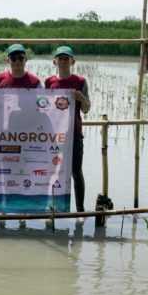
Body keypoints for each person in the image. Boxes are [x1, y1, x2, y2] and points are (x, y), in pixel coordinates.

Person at [45, 45, 91, 212]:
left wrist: (81, 98)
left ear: (73, 61)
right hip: (54, 138)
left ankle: (80, 210)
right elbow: (44, 108)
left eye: (66, 58)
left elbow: (86, 109)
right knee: (52, 172)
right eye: (60, 58)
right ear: (54, 61)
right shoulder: (48, 82)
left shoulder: (80, 81)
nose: (63, 61)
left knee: (76, 173)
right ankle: (53, 208)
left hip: (75, 136)